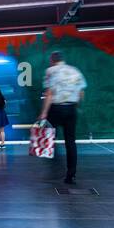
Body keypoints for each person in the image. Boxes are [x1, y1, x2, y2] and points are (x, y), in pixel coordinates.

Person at [37, 51, 87, 184]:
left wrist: (44, 113)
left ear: (52, 60)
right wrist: (76, 106)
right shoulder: (74, 71)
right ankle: (71, 174)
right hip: (71, 109)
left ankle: (54, 168)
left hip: (56, 108)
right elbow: (81, 92)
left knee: (48, 139)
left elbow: (49, 93)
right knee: (70, 142)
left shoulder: (51, 71)